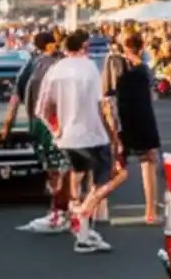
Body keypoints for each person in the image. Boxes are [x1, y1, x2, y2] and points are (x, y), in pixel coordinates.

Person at [36, 29, 126, 253]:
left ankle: (84, 234)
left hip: (68, 137)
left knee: (78, 175)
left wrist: (56, 129)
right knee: (114, 176)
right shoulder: (89, 68)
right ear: (84, 47)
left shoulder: (55, 70)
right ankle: (83, 212)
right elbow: (102, 106)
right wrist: (115, 136)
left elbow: (42, 108)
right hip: (92, 134)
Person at [0, 30, 71, 233]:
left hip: (36, 124)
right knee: (61, 168)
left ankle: (59, 210)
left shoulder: (28, 67)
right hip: (54, 123)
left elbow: (15, 98)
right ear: (49, 45)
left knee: (52, 168)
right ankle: (61, 211)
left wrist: (7, 125)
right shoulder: (57, 65)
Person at [104, 31, 162, 224]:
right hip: (143, 120)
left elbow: (106, 95)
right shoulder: (143, 69)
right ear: (142, 46)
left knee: (115, 166)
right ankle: (150, 211)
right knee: (148, 162)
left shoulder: (113, 63)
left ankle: (96, 205)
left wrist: (111, 125)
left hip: (121, 119)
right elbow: (149, 97)